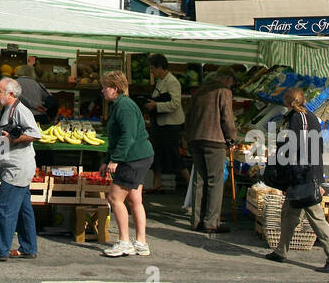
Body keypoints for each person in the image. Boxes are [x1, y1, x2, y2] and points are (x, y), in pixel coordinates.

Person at [265, 87, 329, 273]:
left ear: (288, 101)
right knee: (289, 214)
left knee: (316, 217)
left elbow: (296, 148)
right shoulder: (308, 116)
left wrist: (277, 162)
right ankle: (280, 251)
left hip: (304, 176)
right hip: (304, 174)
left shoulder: (297, 118)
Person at [0, 77, 42, 260]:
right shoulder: (8, 109)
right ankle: (28, 247)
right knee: (23, 210)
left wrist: (15, 139)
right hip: (12, 167)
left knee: (4, 208)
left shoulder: (21, 110)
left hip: (17, 169)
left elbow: (34, 134)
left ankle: (0, 250)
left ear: (11, 94)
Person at [100, 70, 154, 257]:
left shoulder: (124, 107)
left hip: (134, 158)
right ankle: (141, 242)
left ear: (115, 88)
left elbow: (127, 137)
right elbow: (115, 138)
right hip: (139, 156)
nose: (102, 90)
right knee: (134, 199)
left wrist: (115, 160)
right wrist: (107, 159)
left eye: (105, 87)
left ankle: (124, 241)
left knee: (115, 198)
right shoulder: (119, 105)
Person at [185, 68, 239, 235]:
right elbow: (227, 118)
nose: (232, 84)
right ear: (227, 78)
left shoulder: (199, 92)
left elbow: (188, 116)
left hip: (196, 138)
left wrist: (187, 138)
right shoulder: (223, 91)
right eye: (232, 81)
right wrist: (232, 139)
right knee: (214, 182)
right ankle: (211, 222)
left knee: (198, 180)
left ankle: (196, 220)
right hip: (215, 140)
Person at [145, 53, 184, 192]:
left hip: (170, 125)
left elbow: (175, 103)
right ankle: (157, 182)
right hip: (160, 124)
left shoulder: (172, 82)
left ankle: (189, 183)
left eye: (152, 68)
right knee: (156, 153)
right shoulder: (161, 81)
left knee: (174, 154)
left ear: (160, 67)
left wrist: (156, 106)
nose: (151, 72)